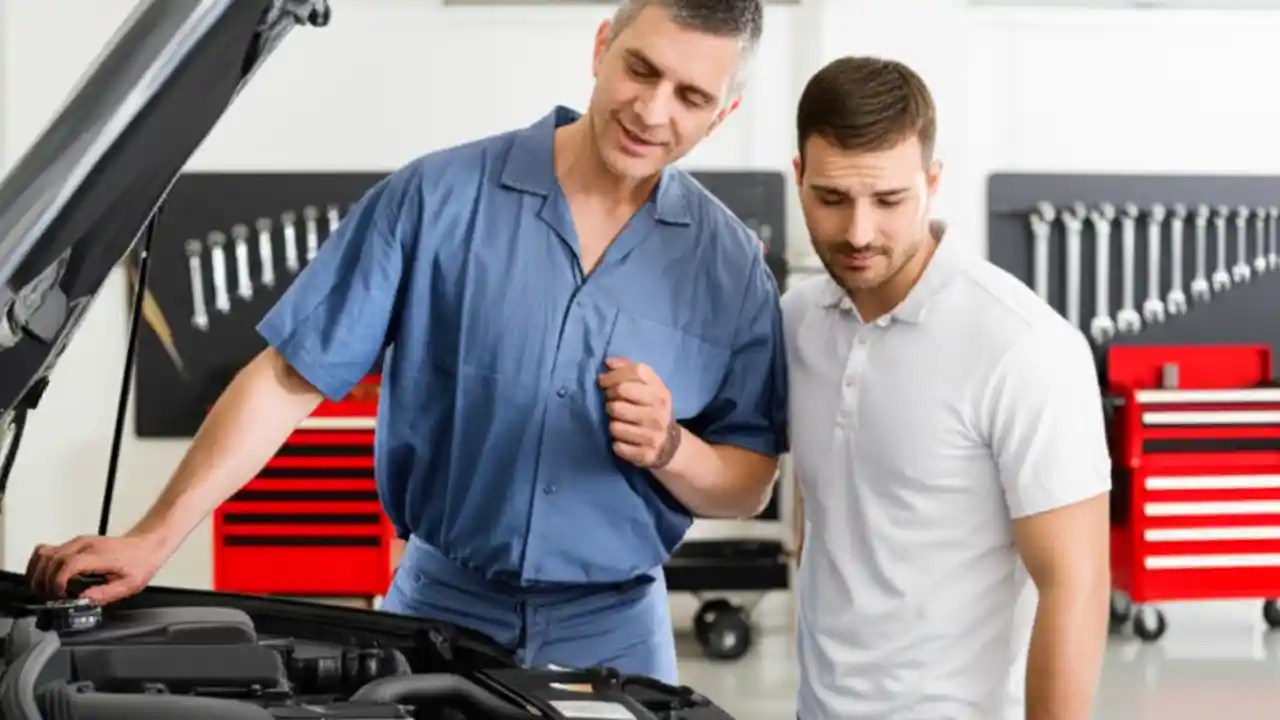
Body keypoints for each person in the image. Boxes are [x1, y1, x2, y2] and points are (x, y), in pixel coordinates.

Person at [25, 0, 788, 685]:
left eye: (691, 96)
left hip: (618, 631)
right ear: (601, 48)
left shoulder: (728, 270)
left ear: (723, 113)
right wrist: (155, 538)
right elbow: (289, 376)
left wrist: (671, 450)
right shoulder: (436, 198)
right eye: (641, 69)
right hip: (439, 609)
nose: (652, 110)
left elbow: (749, 479)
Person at [783, 56, 1111, 719]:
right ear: (799, 178)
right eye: (832, 198)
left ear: (933, 183)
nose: (858, 232)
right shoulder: (797, 322)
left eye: (889, 199)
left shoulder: (1023, 346)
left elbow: (1075, 584)